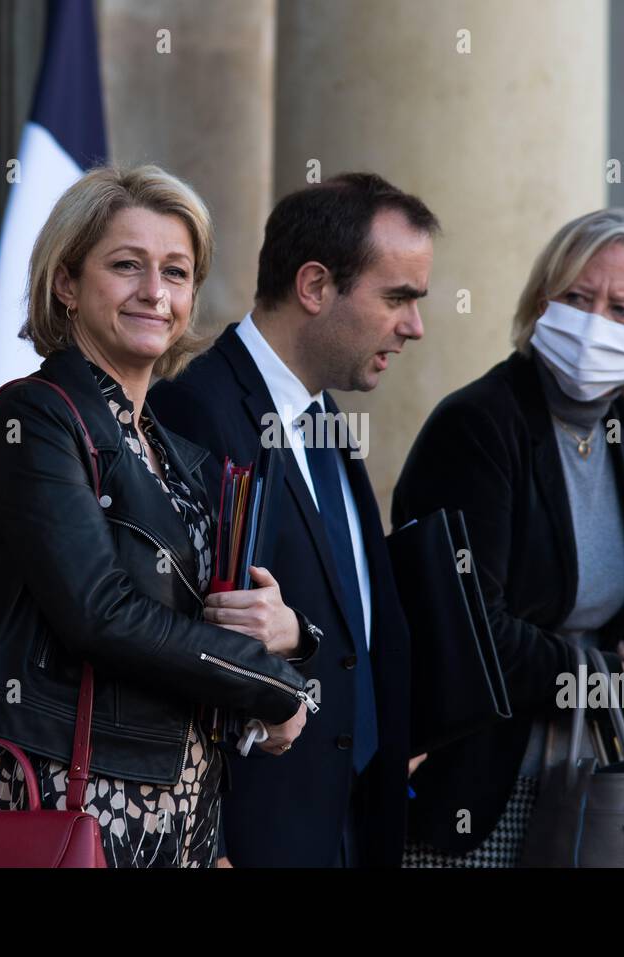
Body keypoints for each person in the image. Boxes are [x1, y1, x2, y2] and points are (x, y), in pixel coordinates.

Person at [0, 164, 319, 868]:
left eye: (176, 273)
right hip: (62, 802)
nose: (156, 292)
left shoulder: (181, 454)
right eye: (127, 266)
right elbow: (101, 612)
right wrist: (273, 686)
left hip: (181, 817)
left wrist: (285, 630)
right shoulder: (33, 417)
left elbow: (199, 633)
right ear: (67, 282)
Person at [391, 207, 624, 867]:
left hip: (585, 779)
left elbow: (598, 594)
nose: (595, 323)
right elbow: (484, 638)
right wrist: (620, 680)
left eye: (622, 309)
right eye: (577, 298)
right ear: (542, 302)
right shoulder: (479, 426)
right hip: (479, 788)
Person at [150, 173, 439, 867]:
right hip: (258, 834)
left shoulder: (323, 412)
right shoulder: (197, 410)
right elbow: (172, 640)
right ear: (314, 287)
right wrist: (208, 844)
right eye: (397, 297)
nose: (415, 325)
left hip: (350, 825)